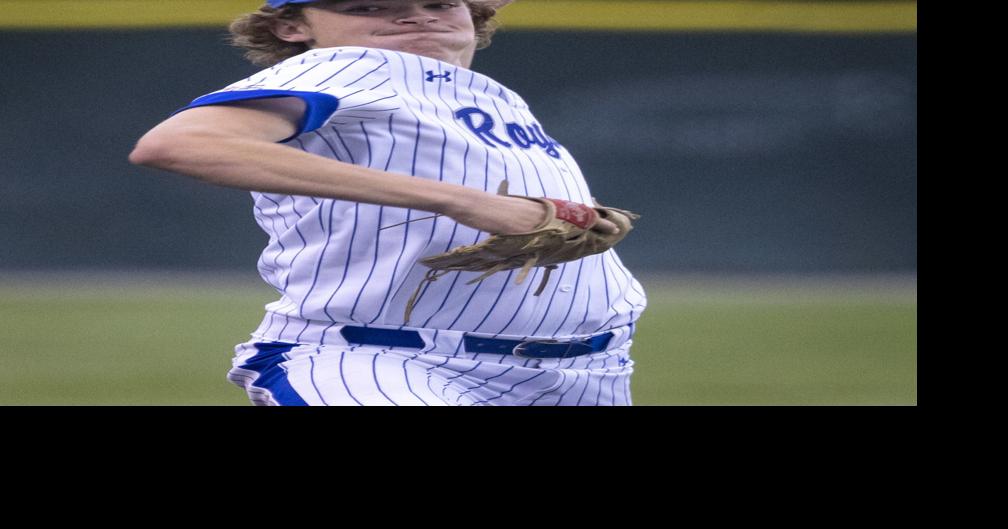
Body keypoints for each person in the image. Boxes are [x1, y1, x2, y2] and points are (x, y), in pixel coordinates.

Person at [129, 0, 647, 406]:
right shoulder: (346, 66)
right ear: (291, 26)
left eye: (439, 3)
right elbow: (180, 144)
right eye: (368, 6)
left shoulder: (485, 95)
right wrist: (462, 201)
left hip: (586, 372)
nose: (415, 15)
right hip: (383, 363)